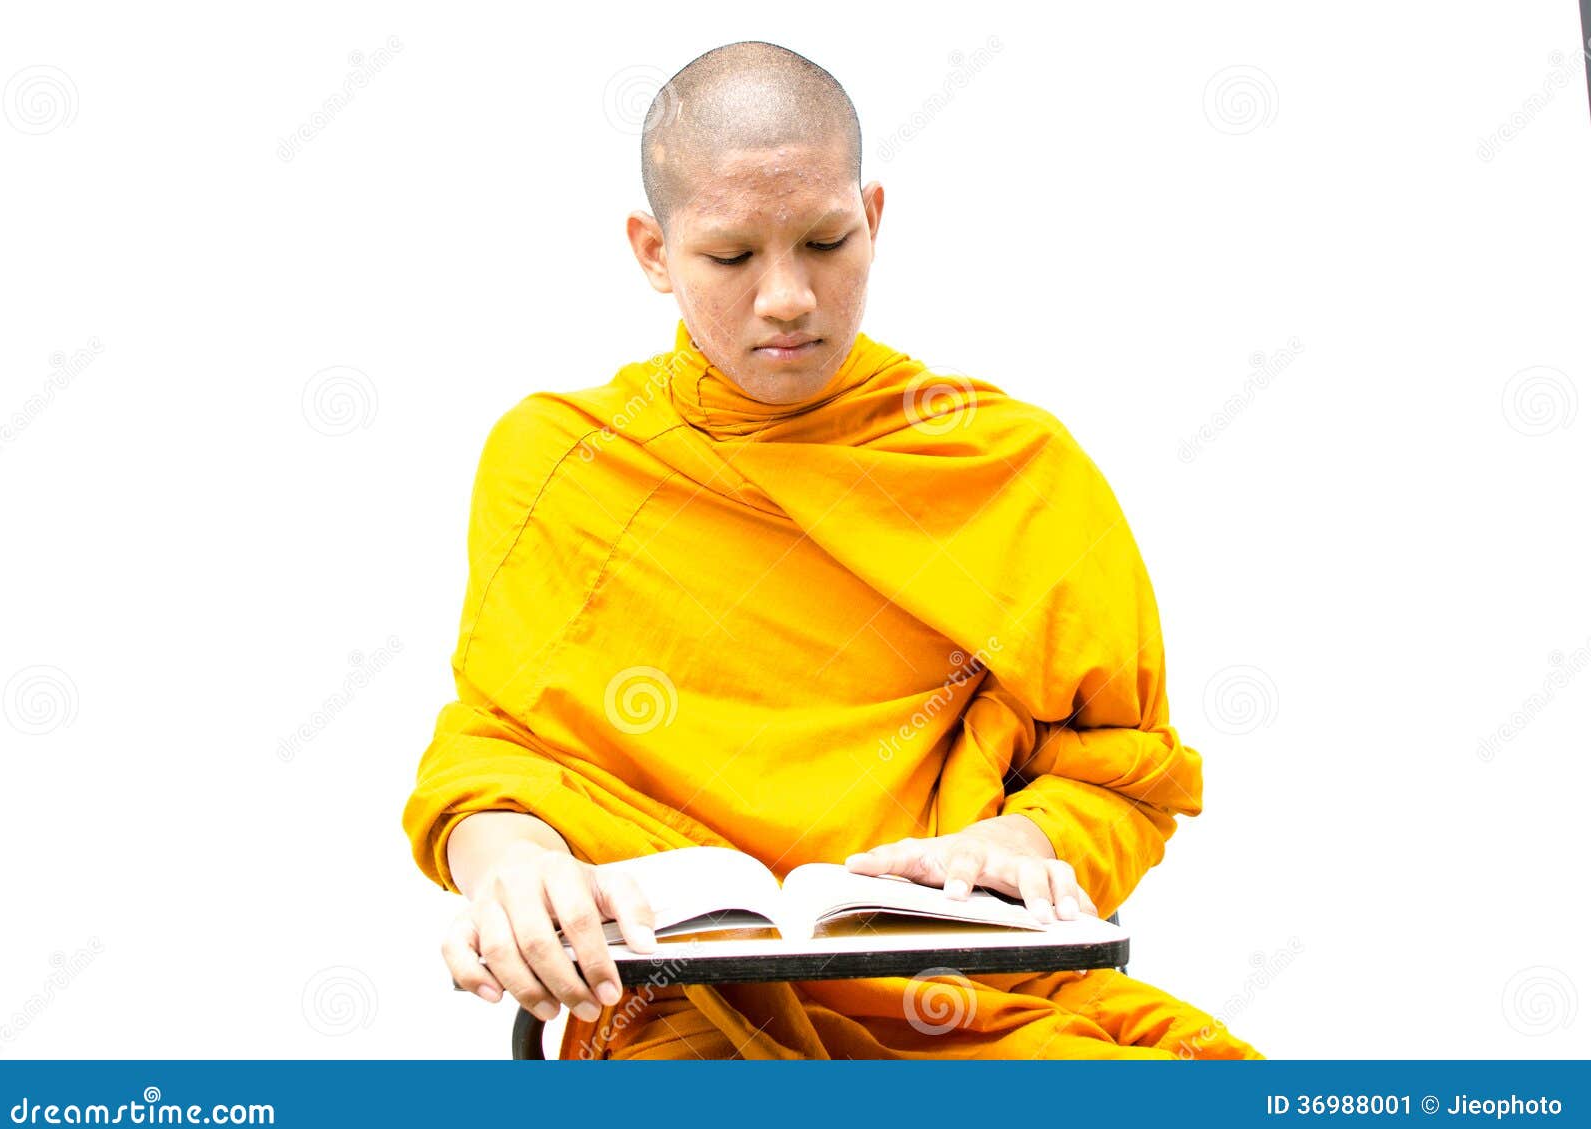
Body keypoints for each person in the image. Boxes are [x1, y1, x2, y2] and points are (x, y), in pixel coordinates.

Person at [403, 39, 1263, 1060]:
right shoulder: (560, 459)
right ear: (651, 251)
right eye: (730, 257)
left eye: (825, 242)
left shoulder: (1008, 466)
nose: (787, 299)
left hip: (969, 998)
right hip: (674, 1010)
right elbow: (496, 752)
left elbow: (1121, 771)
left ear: (875, 219)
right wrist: (511, 863)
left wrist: (1016, 844)